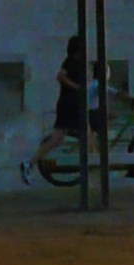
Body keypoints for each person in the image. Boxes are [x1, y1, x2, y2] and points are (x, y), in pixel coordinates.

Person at [29, 34, 94, 177]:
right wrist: (77, 87)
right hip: (69, 104)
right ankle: (87, 167)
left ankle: (31, 163)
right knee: (81, 135)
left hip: (72, 104)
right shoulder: (70, 61)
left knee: (59, 138)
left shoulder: (77, 62)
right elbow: (60, 76)